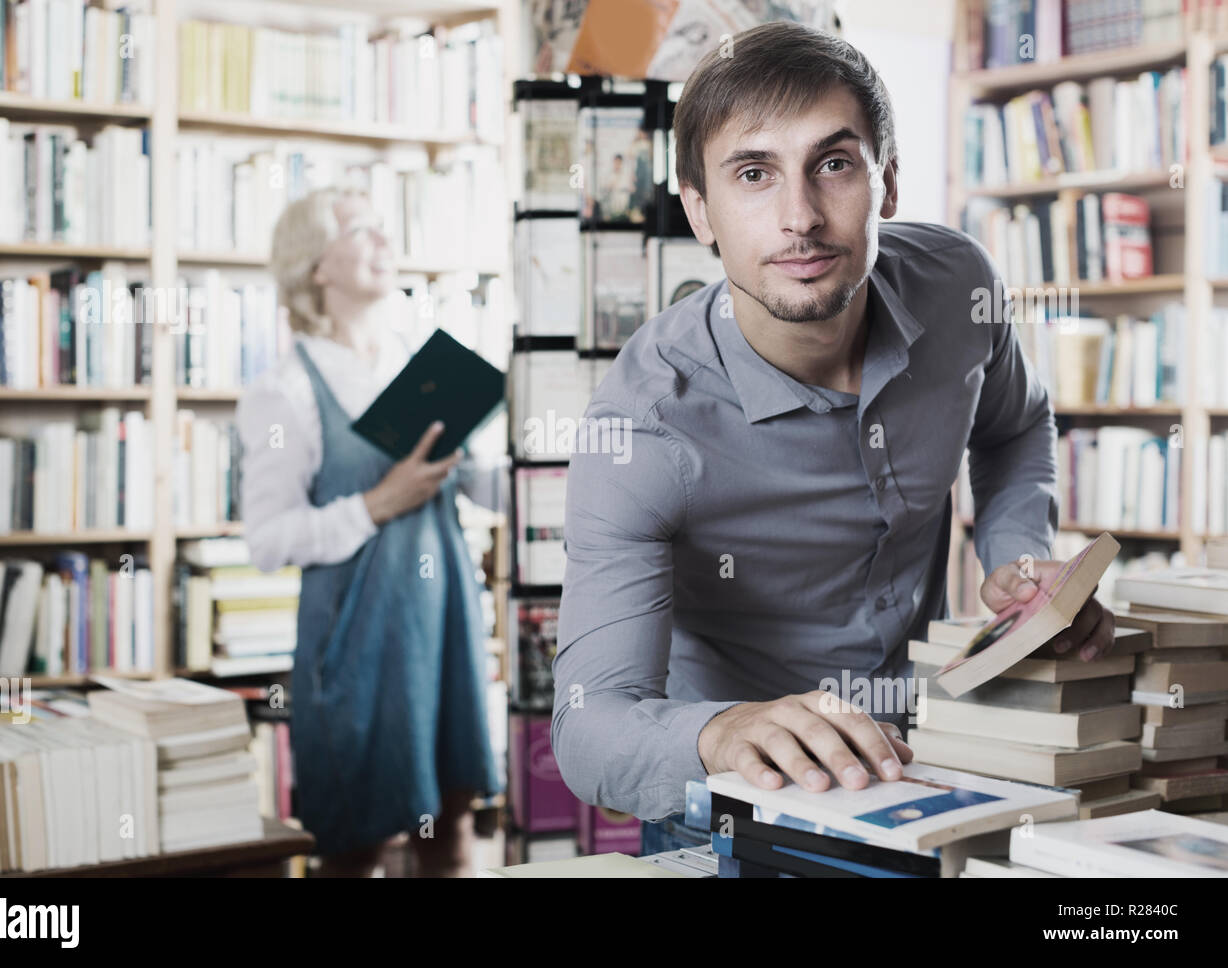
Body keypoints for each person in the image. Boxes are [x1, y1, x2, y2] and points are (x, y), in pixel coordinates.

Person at [550, 21, 1115, 857]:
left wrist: (1018, 559)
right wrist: (723, 731)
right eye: (753, 173)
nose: (800, 218)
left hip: (942, 760)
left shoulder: (961, 286)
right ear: (699, 212)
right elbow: (589, 725)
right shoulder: (640, 429)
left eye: (834, 164)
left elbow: (1014, 426)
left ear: (887, 181)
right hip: (738, 801)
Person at [236, 188, 503, 876]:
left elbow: (474, 480)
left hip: (442, 628)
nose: (386, 241)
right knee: (357, 845)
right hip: (355, 645)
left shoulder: (419, 361)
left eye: (386, 227)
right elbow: (267, 540)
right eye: (362, 230)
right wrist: (378, 504)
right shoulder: (285, 391)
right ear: (316, 266)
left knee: (451, 833)